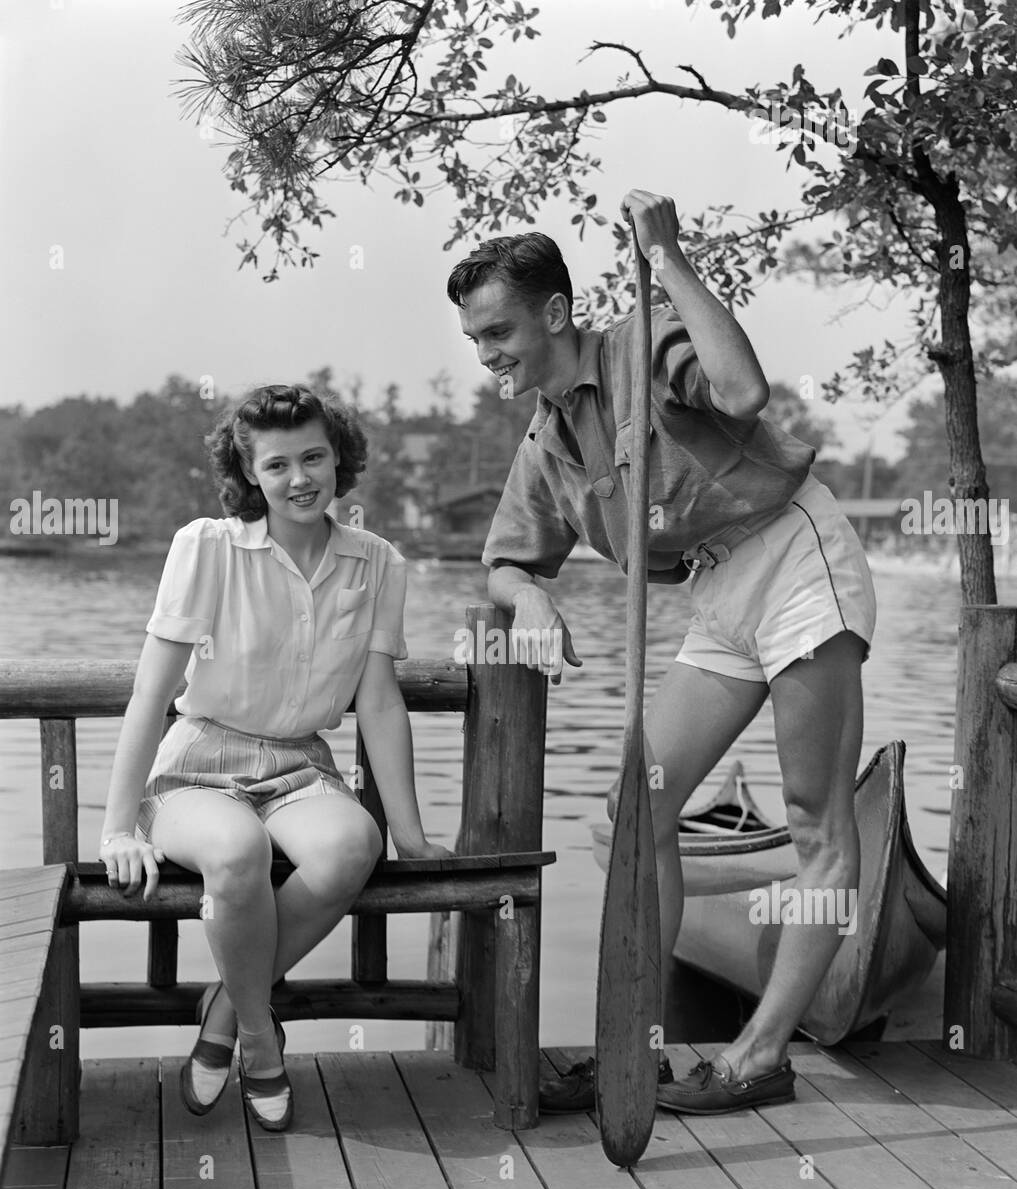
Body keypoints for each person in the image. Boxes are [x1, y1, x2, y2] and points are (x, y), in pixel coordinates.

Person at [447, 189, 876, 1116]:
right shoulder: (546, 437)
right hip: (718, 593)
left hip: (795, 559)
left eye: (498, 333)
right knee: (637, 802)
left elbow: (741, 395)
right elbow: (506, 563)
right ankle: (633, 1047)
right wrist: (530, 600)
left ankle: (760, 1055)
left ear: (555, 313)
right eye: (475, 340)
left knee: (814, 823)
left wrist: (670, 258)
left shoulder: (639, 343)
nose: (487, 357)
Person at [98, 384, 448, 1132]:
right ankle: (259, 1040)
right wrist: (117, 828)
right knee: (235, 852)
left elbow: (379, 701)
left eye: (313, 457)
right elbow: (149, 695)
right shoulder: (207, 546)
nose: (299, 478)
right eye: (278, 463)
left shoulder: (377, 563)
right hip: (198, 762)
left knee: (353, 844)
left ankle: (228, 1004)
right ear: (249, 472)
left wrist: (411, 833)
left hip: (300, 765)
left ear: (338, 459)